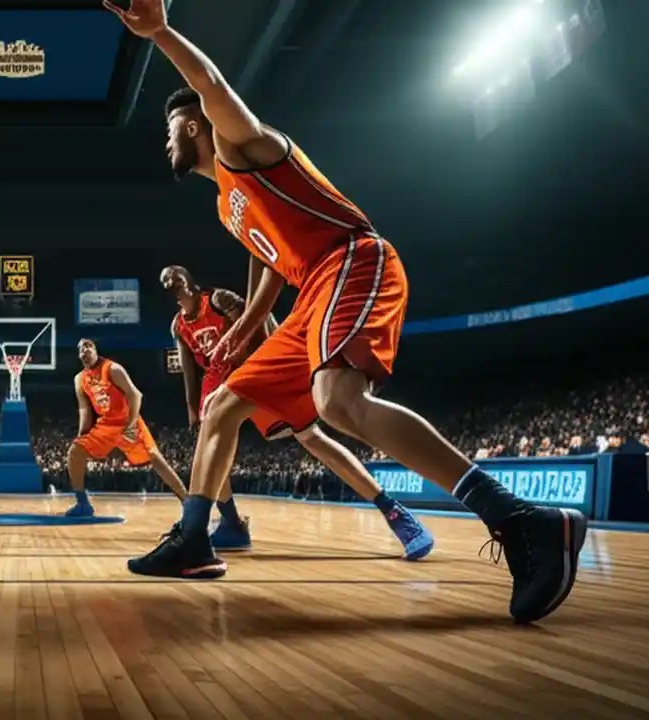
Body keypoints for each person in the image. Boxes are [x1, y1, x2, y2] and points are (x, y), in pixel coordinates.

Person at [107, 0, 584, 623]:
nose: (164, 139)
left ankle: (521, 520)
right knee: (223, 405)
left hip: (352, 260)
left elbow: (212, 85)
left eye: (169, 128)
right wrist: (245, 331)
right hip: (310, 294)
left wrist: (161, 32)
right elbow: (271, 264)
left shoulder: (240, 146)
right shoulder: (227, 205)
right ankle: (195, 538)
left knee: (337, 403)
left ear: (193, 126)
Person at [163, 265, 433, 557]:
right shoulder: (178, 326)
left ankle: (394, 512)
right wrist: (192, 407)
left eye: (176, 282)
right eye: (167, 286)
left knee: (312, 437)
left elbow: (260, 318)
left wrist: (279, 366)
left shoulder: (216, 299)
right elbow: (189, 371)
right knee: (210, 447)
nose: (173, 290)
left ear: (190, 281)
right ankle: (231, 525)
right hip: (221, 378)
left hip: (255, 365)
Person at [67, 339, 188, 517]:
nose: (84, 351)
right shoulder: (79, 379)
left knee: (156, 458)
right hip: (106, 424)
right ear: (79, 356)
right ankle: (83, 504)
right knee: (74, 451)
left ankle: (188, 503)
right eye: (80, 350)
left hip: (126, 420)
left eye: (87, 347)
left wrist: (131, 425)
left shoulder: (113, 368)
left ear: (95, 350)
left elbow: (135, 395)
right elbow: (84, 409)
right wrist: (82, 438)